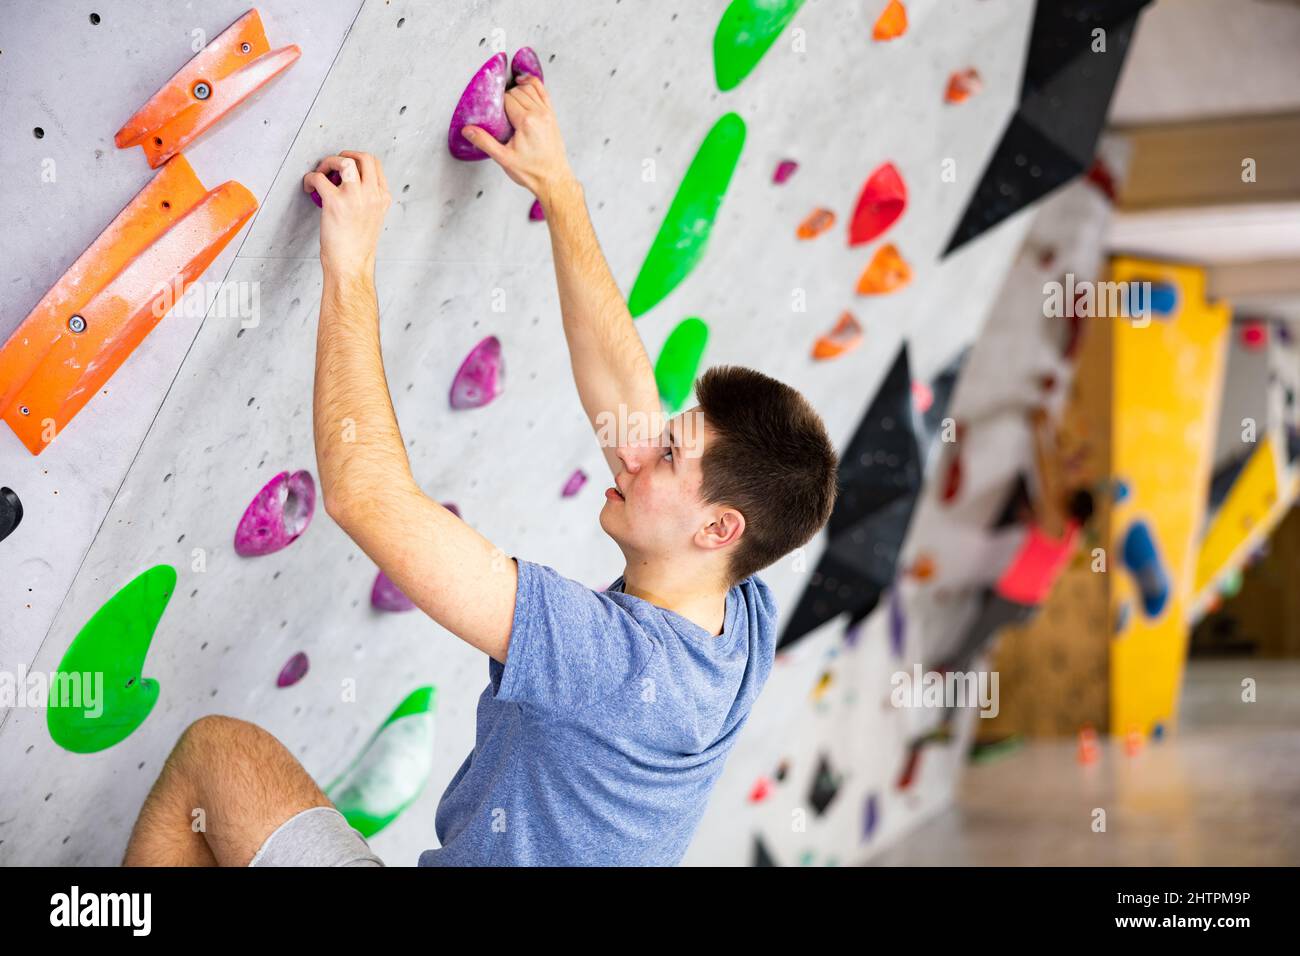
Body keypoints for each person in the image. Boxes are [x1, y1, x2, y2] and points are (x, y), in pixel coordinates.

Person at [123, 75, 838, 866]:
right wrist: (559, 189)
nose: (633, 448)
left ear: (717, 527)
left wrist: (353, 264)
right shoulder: (739, 622)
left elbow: (367, 497)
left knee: (216, 757)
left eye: (667, 455)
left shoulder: (610, 660)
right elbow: (627, 398)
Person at [938, 405, 1095, 678]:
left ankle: (947, 702)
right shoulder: (1070, 531)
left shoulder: (1056, 522)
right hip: (1023, 599)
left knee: (970, 643)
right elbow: (1055, 478)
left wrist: (1038, 430)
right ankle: (953, 679)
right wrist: (1047, 427)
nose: (1067, 488)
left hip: (1016, 598)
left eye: (1071, 492)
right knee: (977, 637)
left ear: (1071, 504)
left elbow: (1047, 476)